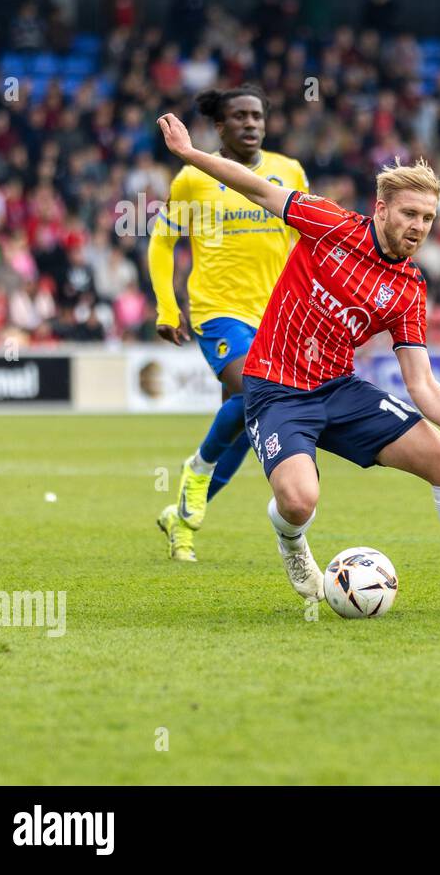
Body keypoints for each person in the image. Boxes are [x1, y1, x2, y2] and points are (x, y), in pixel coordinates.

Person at [155, 111, 440, 613]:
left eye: (427, 218)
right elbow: (256, 188)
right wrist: (191, 155)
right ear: (381, 209)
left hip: (339, 389)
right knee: (298, 502)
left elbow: (421, 384)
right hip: (275, 387)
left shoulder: (409, 290)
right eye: (409, 214)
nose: (418, 227)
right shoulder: (329, 224)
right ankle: (292, 543)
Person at [149, 85, 308, 563]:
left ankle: (180, 519)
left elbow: (307, 237)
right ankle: (196, 470)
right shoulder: (193, 179)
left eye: (257, 115)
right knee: (252, 389)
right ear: (219, 126)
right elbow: (162, 243)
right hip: (219, 310)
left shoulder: (288, 171)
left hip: (279, 315)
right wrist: (165, 306)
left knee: (245, 424)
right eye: (239, 116)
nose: (251, 123)